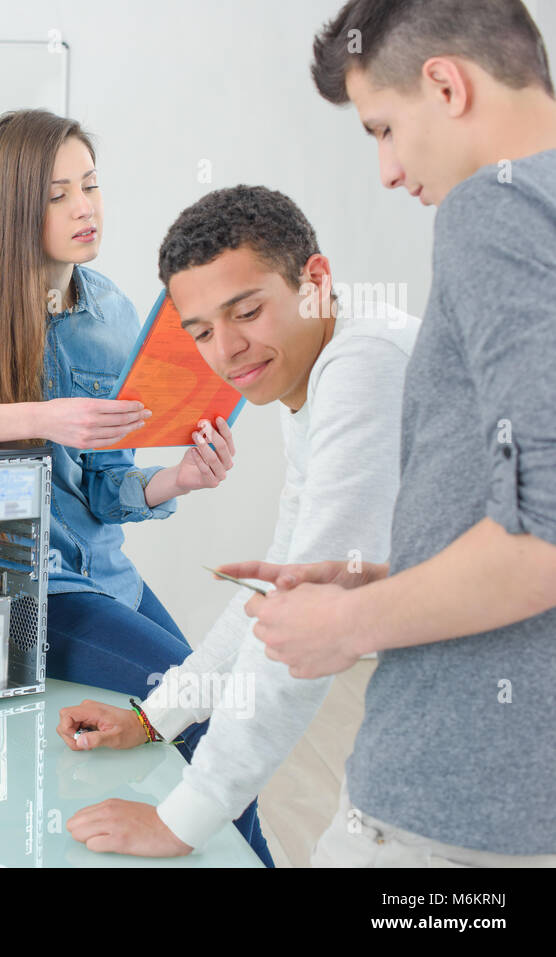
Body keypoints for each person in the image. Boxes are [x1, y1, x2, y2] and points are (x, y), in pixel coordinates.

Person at [0, 109, 273, 865]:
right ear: (15, 205)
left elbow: (110, 486)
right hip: (8, 582)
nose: (85, 207)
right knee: (203, 714)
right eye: (58, 194)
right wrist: (37, 416)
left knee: (215, 706)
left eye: (90, 185)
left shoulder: (114, 314)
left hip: (99, 572)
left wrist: (178, 477)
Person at [224, 0, 556, 866]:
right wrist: (389, 571)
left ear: (446, 84)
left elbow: (546, 541)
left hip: (453, 817)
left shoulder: (496, 209)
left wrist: (351, 622)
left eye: (383, 128)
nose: (386, 171)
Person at [57, 185, 419, 860]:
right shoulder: (319, 370)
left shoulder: (363, 368)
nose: (225, 351)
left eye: (247, 311)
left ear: (315, 281)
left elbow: (304, 613)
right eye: (199, 332)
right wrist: (156, 716)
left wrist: (180, 819)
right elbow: (281, 573)